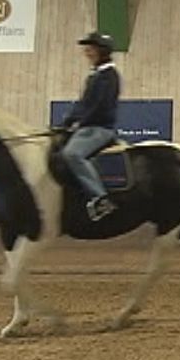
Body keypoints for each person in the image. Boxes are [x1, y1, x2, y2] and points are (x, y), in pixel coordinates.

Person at [61, 32, 122, 222]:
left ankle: (101, 198)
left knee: (72, 154)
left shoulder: (109, 76)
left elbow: (99, 106)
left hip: (99, 128)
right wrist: (67, 121)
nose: (87, 51)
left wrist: (79, 122)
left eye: (91, 48)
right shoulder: (95, 75)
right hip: (87, 127)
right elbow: (83, 103)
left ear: (102, 51)